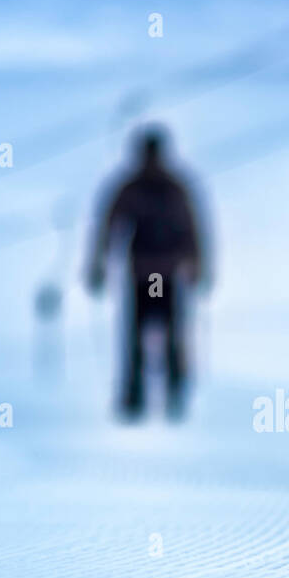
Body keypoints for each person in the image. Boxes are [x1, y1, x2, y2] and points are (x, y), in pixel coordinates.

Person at [87, 126, 207, 420]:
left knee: (169, 337)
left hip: (162, 275)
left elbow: (193, 230)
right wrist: (98, 264)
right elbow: (108, 226)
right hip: (144, 275)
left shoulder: (171, 188)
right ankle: (136, 397)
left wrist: (197, 265)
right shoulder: (133, 188)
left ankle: (173, 394)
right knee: (138, 337)